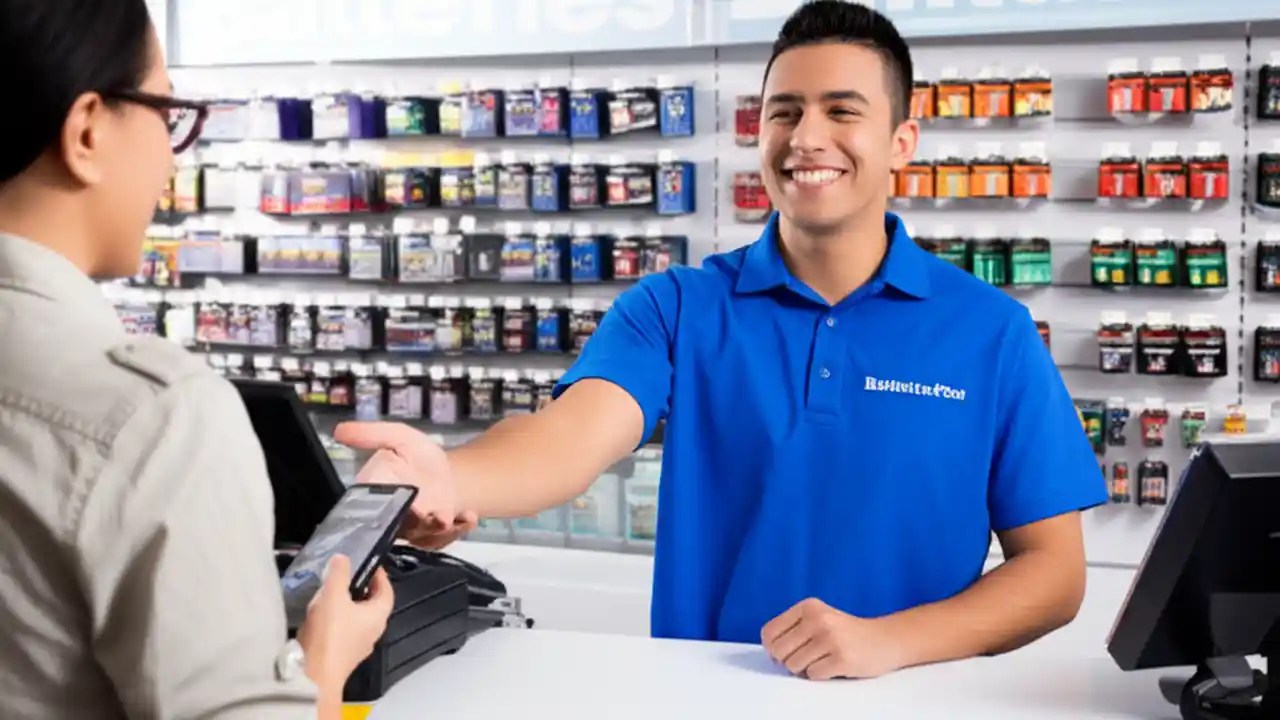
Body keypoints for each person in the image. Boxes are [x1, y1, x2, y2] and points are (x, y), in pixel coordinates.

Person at [337, 0, 1107, 681]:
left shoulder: (992, 331)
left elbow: (1053, 573)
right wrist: (451, 478)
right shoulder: (676, 307)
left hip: (915, 698)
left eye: (842, 111)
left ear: (902, 141)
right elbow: (567, 440)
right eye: (784, 112)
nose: (806, 137)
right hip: (708, 697)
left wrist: (891, 641)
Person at [0, 2, 392, 718]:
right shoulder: (151, 416)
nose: (172, 159)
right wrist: (323, 664)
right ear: (87, 132)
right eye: (167, 114)